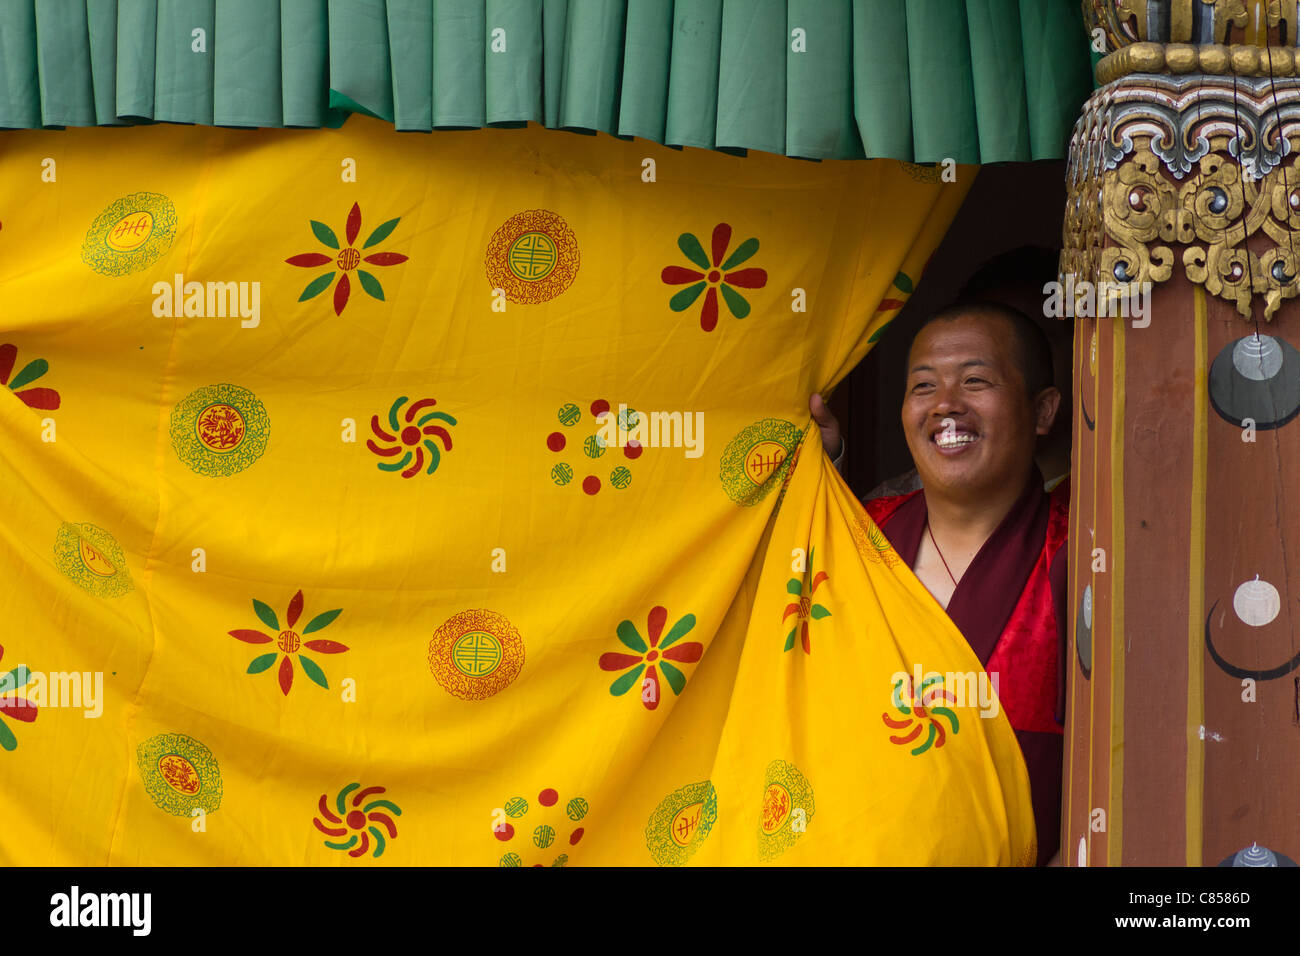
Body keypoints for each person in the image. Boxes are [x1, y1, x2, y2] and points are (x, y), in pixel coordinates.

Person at [811, 301, 1068, 866]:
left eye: (975, 381)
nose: (946, 406)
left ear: (1043, 409)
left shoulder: (1083, 550)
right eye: (923, 386)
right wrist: (815, 466)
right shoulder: (854, 539)